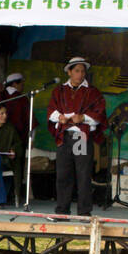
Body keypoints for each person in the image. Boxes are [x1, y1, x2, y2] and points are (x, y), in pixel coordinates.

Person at [48, 56, 105, 217]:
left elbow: (99, 114)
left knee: (83, 174)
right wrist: (59, 117)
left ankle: (84, 211)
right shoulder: (59, 91)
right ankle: (62, 210)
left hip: (81, 136)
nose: (80, 74)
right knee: (63, 174)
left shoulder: (92, 92)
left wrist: (83, 118)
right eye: (77, 71)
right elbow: (51, 111)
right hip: (65, 136)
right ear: (69, 72)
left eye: (83, 71)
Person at [0, 71, 31, 145]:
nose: (23, 87)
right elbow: (29, 119)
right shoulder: (23, 99)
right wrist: (31, 139)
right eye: (22, 84)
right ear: (15, 84)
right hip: (17, 139)